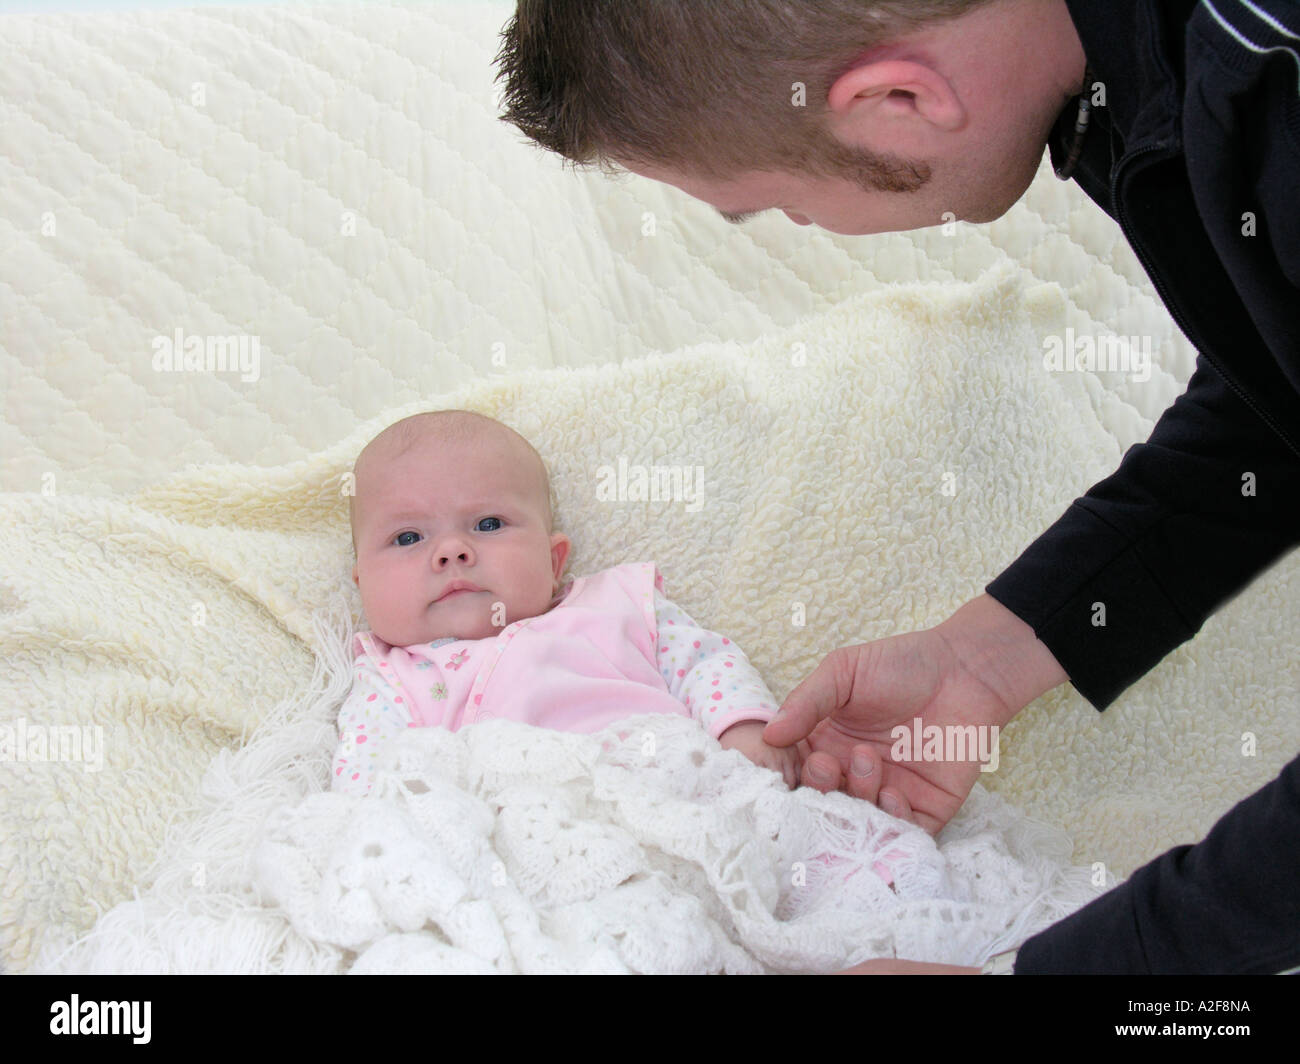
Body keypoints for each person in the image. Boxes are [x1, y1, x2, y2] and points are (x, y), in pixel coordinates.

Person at [494, 0, 1300, 973]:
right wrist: (990, 655)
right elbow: (1274, 401)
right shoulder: (1110, 74)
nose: (805, 224)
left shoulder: (1266, 81)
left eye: (777, 202)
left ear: (895, 98)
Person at [333, 409, 796, 795]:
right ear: (364, 584)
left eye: (488, 524)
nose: (452, 551)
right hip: (524, 837)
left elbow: (704, 664)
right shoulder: (394, 679)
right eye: (408, 537)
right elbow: (366, 784)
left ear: (553, 561)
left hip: (672, 793)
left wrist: (744, 730)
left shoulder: (618, 605)